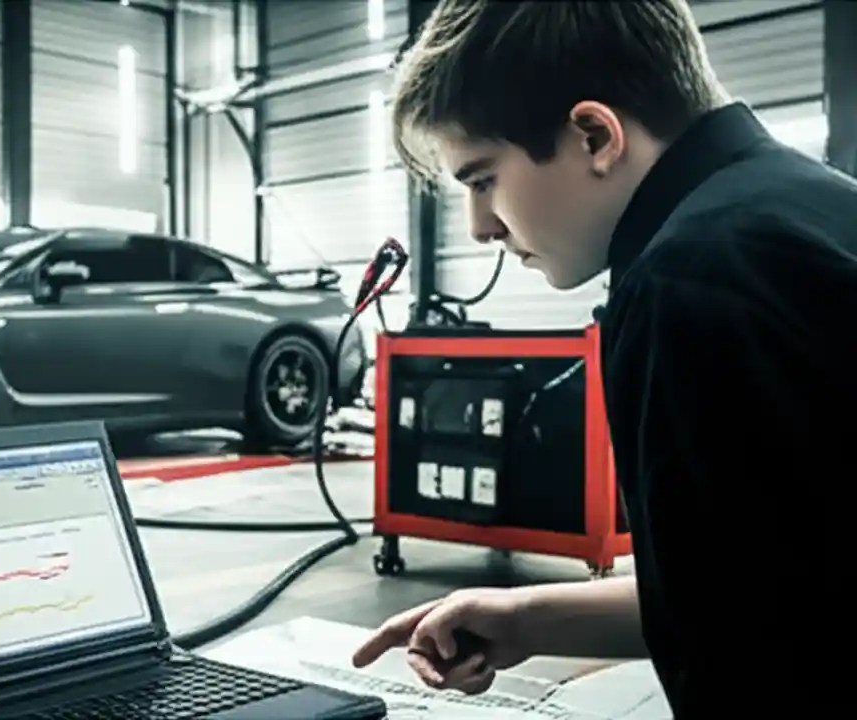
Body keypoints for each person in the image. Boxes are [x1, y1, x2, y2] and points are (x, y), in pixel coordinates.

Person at [352, 0, 855, 716]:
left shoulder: (690, 282)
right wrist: (531, 618)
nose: (479, 227)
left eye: (482, 178)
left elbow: (749, 669)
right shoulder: (810, 211)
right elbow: (768, 590)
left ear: (594, 135)